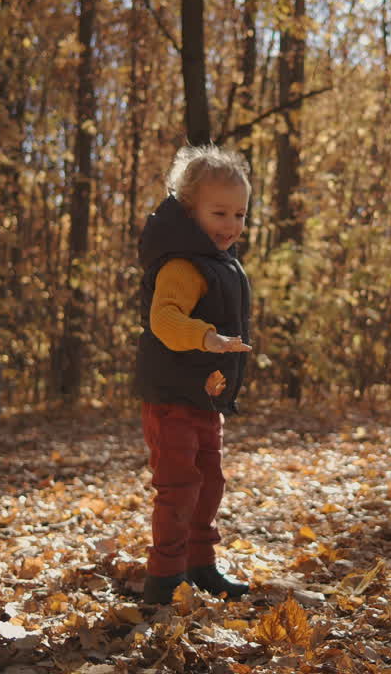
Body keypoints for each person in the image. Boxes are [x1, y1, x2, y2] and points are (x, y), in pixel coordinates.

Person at [135, 144, 254, 605]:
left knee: (209, 482)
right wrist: (207, 338)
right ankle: (164, 578)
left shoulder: (222, 262)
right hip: (171, 398)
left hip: (205, 398)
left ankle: (201, 565)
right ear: (189, 211)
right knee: (179, 486)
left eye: (240, 214)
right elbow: (164, 320)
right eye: (219, 213)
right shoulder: (183, 264)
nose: (231, 225)